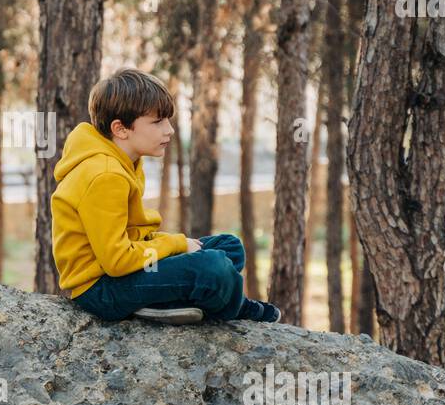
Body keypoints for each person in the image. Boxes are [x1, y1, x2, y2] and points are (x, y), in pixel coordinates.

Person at [49, 68, 281, 325]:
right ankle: (232, 307)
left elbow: (130, 236)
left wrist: (175, 245)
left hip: (127, 271)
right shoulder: (105, 175)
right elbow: (116, 260)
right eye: (158, 122)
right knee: (213, 270)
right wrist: (177, 245)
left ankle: (163, 301)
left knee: (229, 247)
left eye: (167, 120)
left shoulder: (124, 162)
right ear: (121, 128)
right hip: (103, 289)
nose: (169, 130)